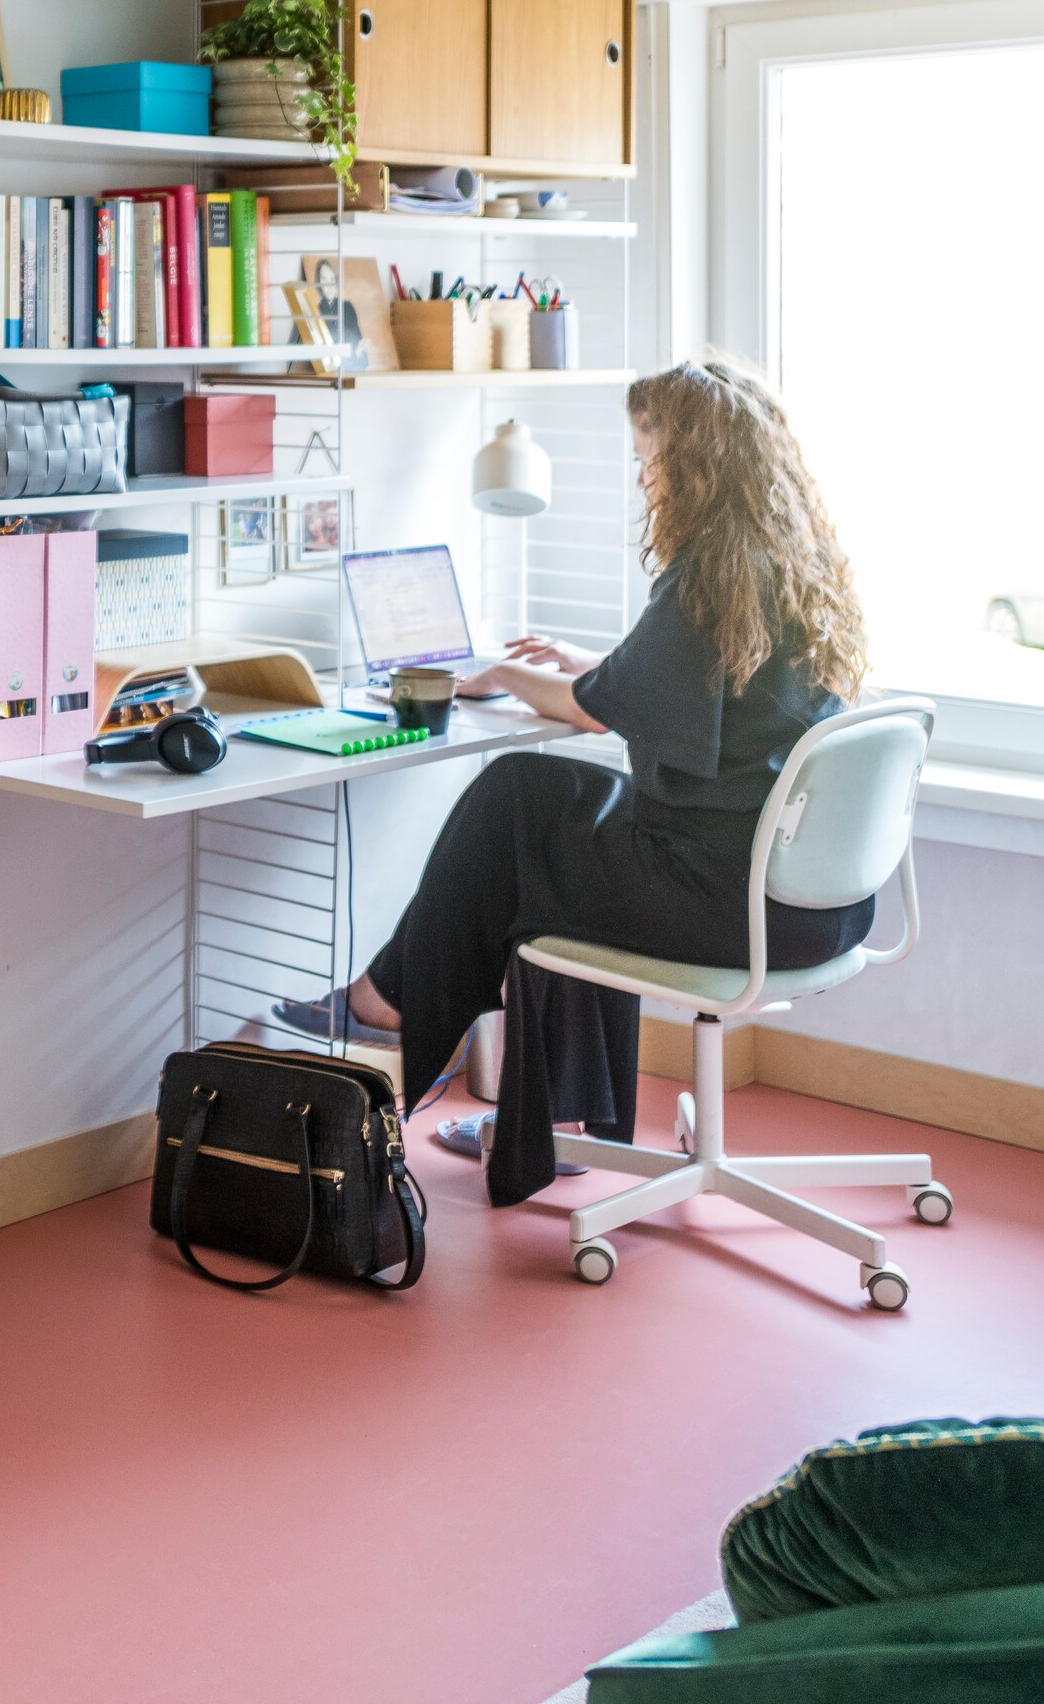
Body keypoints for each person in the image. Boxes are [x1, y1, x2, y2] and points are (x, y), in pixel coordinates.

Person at [285, 358, 877, 1158]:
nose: (642, 480)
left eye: (648, 459)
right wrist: (589, 662)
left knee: (518, 804)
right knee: (560, 813)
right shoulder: (786, 569)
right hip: (816, 904)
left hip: (737, 903)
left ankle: (393, 1005)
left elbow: (592, 710)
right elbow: (707, 687)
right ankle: (547, 1114)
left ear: (693, 465)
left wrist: (501, 674)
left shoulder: (707, 578)